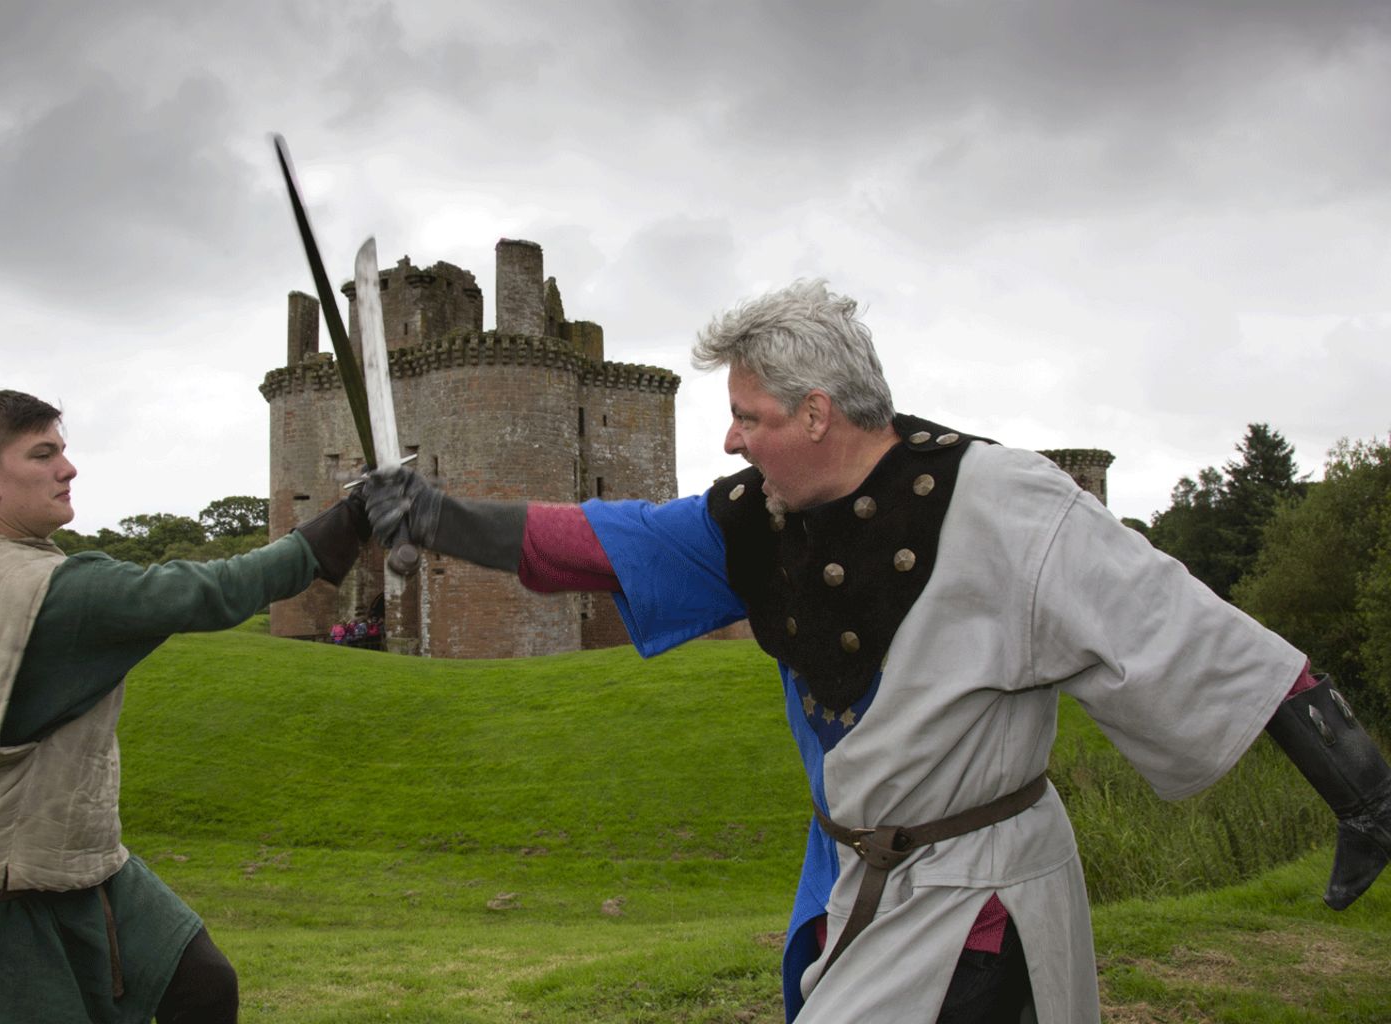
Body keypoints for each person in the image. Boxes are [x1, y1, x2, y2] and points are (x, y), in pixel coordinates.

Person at [355, 280, 1391, 1023]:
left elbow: (1187, 629)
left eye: (746, 416)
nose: (730, 440)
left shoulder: (1006, 500)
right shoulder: (755, 519)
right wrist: (439, 515)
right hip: (858, 877)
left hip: (981, 893)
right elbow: (596, 542)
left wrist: (1363, 790)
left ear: (817, 413)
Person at [0, 390, 367, 1024]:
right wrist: (348, 521)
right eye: (42, 455)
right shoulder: (50, 592)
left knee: (203, 983)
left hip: (84, 856)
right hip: (2, 876)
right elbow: (207, 592)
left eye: (63, 451)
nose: (66, 468)